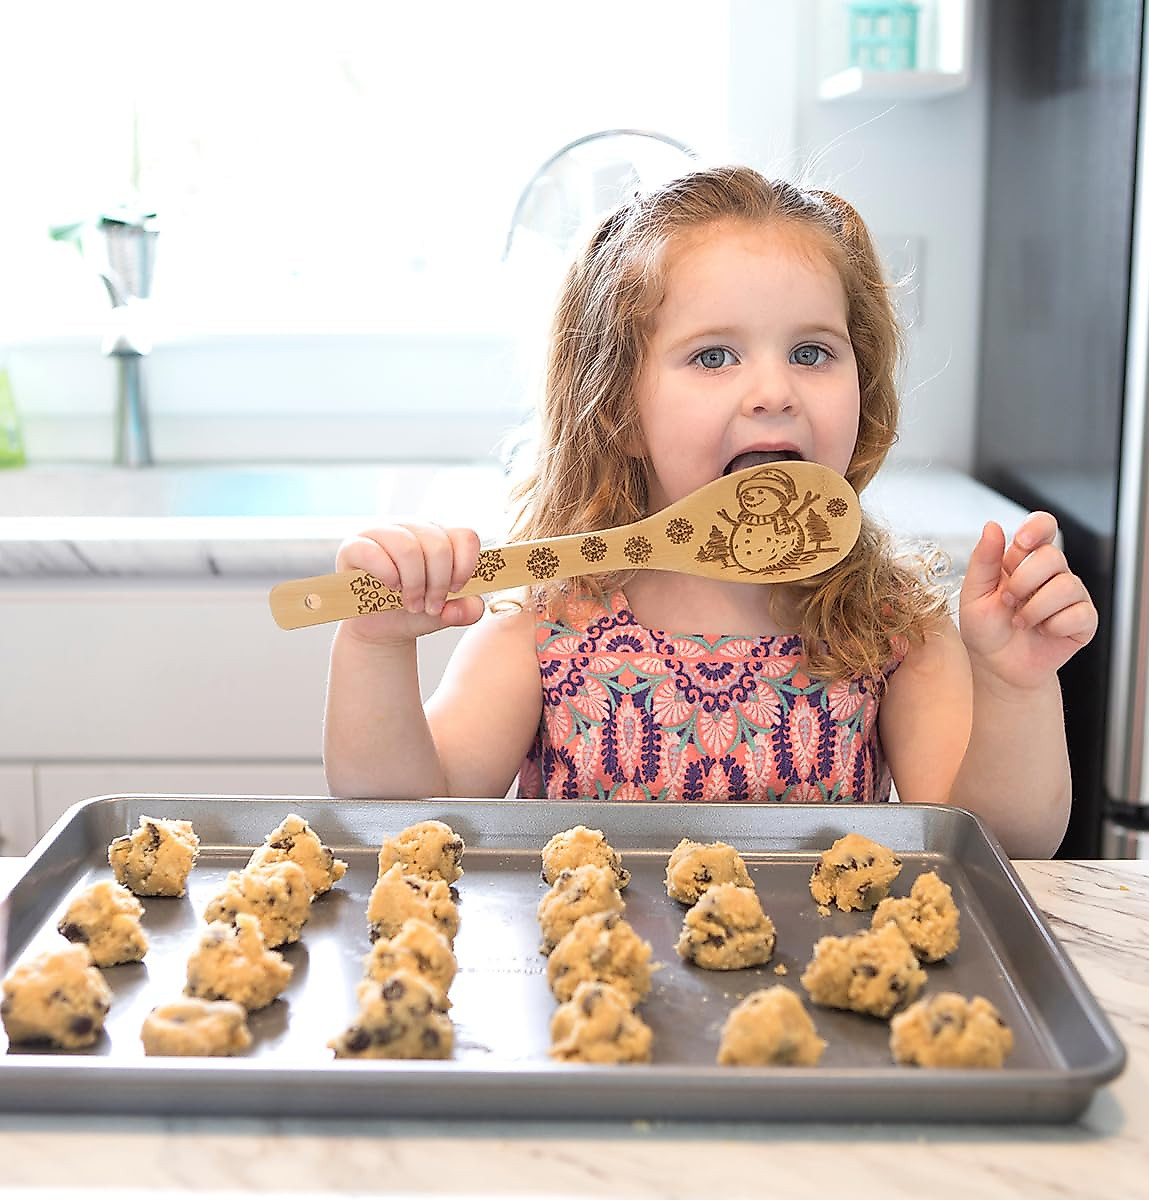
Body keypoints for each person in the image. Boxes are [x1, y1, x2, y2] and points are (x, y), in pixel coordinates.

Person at [323, 166, 1097, 859]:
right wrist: (376, 648)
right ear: (621, 411)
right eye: (715, 356)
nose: (773, 390)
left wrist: (1015, 689)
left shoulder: (891, 630)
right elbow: (402, 822)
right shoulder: (542, 628)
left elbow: (1001, 846)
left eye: (811, 352)